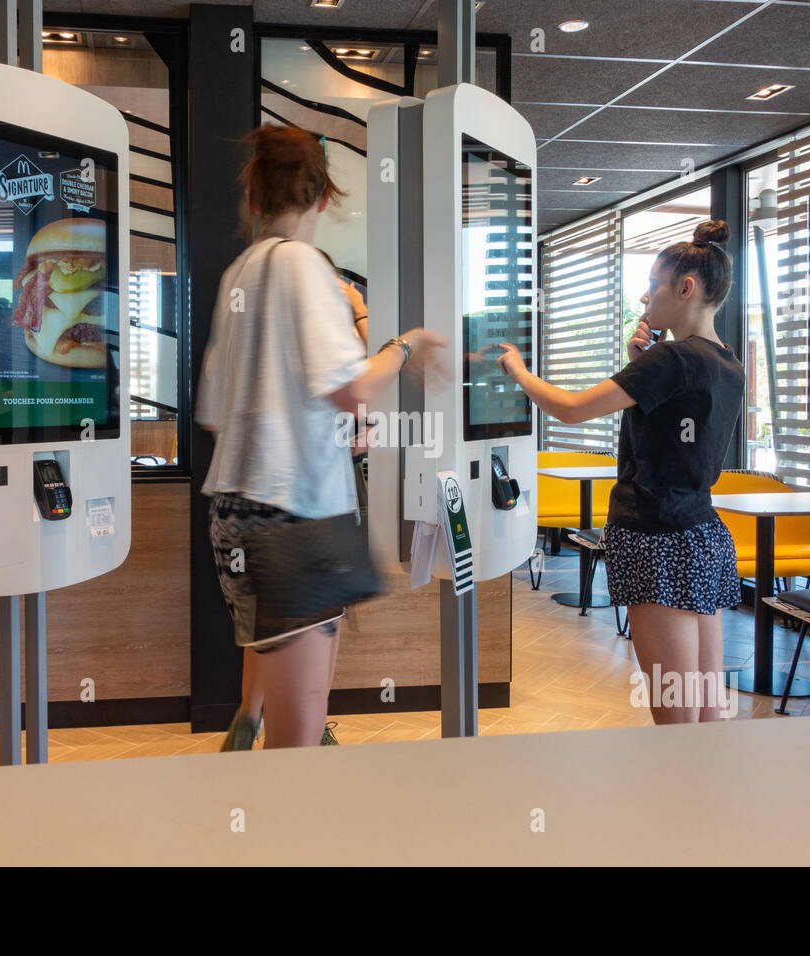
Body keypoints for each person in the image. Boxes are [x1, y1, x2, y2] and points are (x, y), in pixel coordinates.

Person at [197, 124, 446, 750]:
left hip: (237, 514)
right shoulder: (304, 267)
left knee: (286, 718)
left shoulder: (240, 273)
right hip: (294, 517)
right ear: (323, 198)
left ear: (255, 196)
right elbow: (352, 389)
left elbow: (215, 412)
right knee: (299, 745)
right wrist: (405, 345)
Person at [495, 220, 745, 725]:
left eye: (653, 283)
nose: (646, 295)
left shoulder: (672, 359)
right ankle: (710, 799)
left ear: (685, 287)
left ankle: (677, 801)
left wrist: (518, 371)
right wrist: (641, 360)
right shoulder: (727, 361)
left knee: (674, 715)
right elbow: (680, 432)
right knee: (705, 706)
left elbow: (569, 409)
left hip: (655, 534)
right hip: (703, 531)